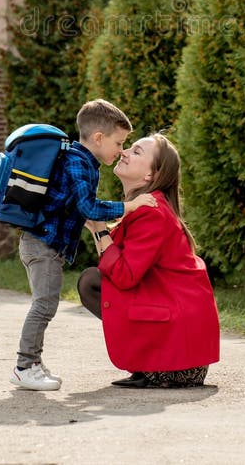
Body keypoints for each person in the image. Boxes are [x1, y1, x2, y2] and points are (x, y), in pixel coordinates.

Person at [10, 99, 157, 392]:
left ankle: (33, 363)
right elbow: (88, 207)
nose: (121, 151)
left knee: (44, 304)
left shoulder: (83, 162)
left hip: (43, 243)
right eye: (119, 143)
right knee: (44, 305)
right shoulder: (77, 162)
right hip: (43, 244)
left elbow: (80, 208)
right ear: (99, 138)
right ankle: (25, 367)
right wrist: (129, 206)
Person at [78, 133, 220, 389]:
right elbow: (116, 269)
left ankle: (151, 366)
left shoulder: (152, 212)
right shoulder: (142, 208)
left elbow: (124, 275)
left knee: (91, 282)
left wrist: (99, 230)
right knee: (93, 281)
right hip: (180, 347)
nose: (124, 152)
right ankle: (146, 363)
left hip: (179, 361)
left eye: (136, 152)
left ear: (151, 175)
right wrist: (97, 229)